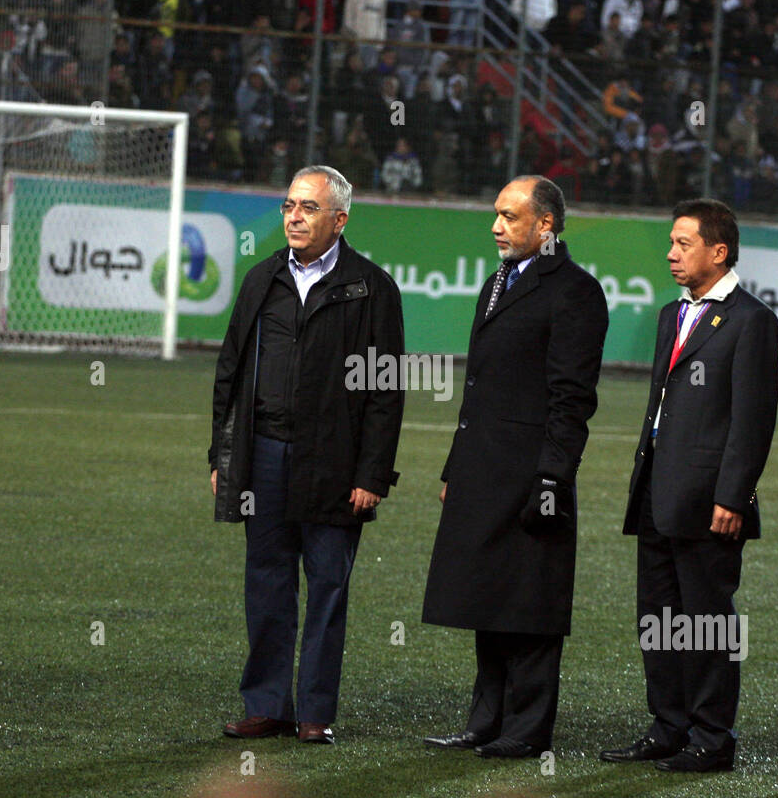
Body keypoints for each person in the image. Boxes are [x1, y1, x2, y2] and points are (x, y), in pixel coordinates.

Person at [210, 165, 404, 745]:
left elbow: (386, 391)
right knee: (267, 583)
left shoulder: (372, 287)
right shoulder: (261, 279)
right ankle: (267, 704)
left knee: (328, 588)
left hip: (335, 465)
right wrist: (221, 457)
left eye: (308, 208)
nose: (294, 217)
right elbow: (230, 372)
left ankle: (315, 712)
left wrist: (373, 473)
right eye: (289, 206)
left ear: (339, 219)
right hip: (263, 455)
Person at [422, 176, 608, 758]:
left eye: (509, 216)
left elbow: (572, 398)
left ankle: (527, 730)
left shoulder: (576, 291)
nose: (496, 226)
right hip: (483, 468)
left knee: (531, 599)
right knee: (490, 595)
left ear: (545, 224)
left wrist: (552, 477)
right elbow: (477, 389)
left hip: (533, 473)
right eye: (496, 214)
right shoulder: (498, 281)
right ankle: (486, 722)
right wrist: (455, 467)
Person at [600, 198, 778, 772]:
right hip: (657, 490)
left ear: (719, 251)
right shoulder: (670, 314)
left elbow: (753, 419)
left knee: (705, 622)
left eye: (684, 244)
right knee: (658, 619)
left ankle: (712, 737)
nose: (671, 254)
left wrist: (733, 495)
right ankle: (668, 727)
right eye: (671, 243)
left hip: (709, 501)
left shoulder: (751, 320)